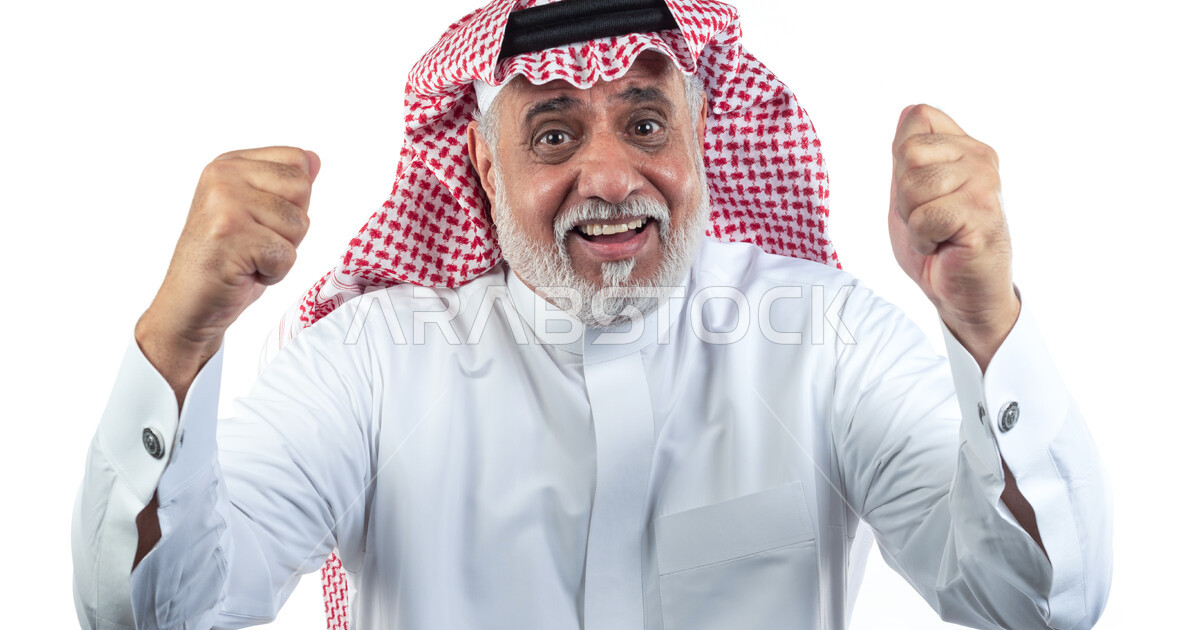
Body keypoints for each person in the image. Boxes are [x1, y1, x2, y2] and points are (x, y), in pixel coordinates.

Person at [72, 0, 1113, 628]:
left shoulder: (829, 343)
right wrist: (180, 340)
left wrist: (987, 331)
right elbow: (166, 615)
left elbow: (1032, 604)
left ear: (703, 138)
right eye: (556, 135)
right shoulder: (369, 365)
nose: (612, 176)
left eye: (647, 121)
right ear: (483, 162)